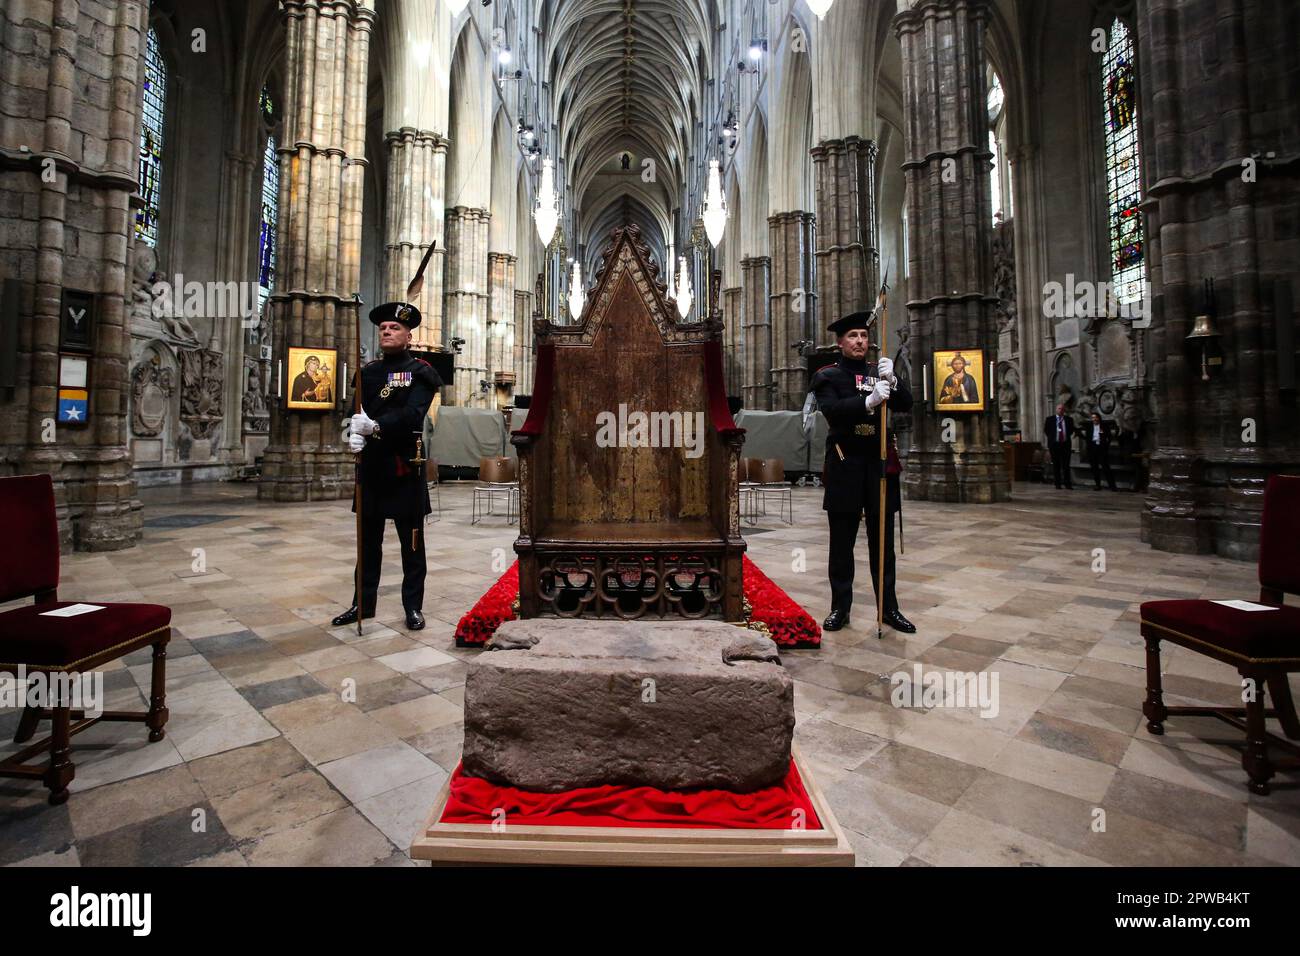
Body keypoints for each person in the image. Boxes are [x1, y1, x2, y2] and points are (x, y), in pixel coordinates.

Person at [332, 302, 443, 631]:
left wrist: (375, 427)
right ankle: (362, 605)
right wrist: (354, 434)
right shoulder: (367, 373)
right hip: (372, 469)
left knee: (411, 544)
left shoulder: (421, 372)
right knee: (367, 544)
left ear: (409, 335)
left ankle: (413, 607)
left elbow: (413, 416)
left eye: (394, 328)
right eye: (382, 328)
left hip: (405, 467)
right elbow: (357, 413)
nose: (387, 332)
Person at [813, 310, 915, 634]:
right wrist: (868, 401)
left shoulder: (878, 371)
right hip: (845, 464)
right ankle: (840, 609)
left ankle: (889, 608)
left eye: (864, 336)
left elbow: (906, 404)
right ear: (840, 343)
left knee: (881, 543)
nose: (860, 341)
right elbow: (832, 411)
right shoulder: (828, 376)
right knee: (841, 544)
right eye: (853, 336)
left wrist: (894, 381)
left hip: (878, 465)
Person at [1043, 402, 1075, 489]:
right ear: (1056, 410)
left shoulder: (1069, 419)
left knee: (1066, 465)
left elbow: (1071, 430)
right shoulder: (1050, 419)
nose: (1061, 410)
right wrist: (1053, 438)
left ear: (1064, 410)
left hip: (1065, 445)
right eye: (1059, 409)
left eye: (1062, 409)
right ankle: (1057, 484)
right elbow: (1046, 430)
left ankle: (1067, 484)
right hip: (1054, 445)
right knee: (1056, 465)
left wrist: (1064, 435)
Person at [1085, 411, 1118, 491]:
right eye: (1093, 418)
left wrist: (1106, 444)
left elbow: (1109, 437)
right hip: (1093, 448)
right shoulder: (1089, 427)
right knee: (1094, 468)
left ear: (1099, 418)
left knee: (1106, 468)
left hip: (1101, 449)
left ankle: (1112, 486)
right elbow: (1087, 438)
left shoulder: (1104, 426)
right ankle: (1097, 485)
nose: (1094, 419)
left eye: (1095, 417)